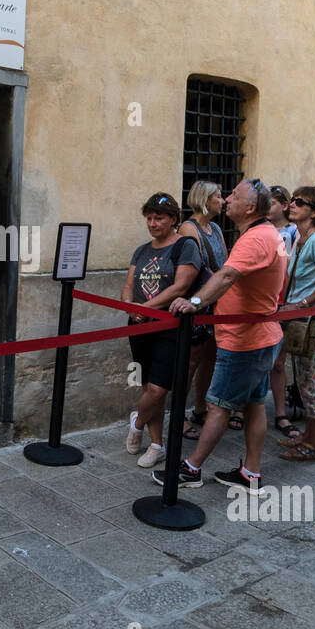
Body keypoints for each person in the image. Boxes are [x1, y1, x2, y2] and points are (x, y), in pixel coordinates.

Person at [153, 179, 285, 495]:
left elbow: (226, 275)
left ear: (251, 207)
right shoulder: (270, 234)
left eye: (234, 196)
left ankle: (191, 469)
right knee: (254, 404)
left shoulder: (255, 239)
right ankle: (250, 473)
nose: (227, 200)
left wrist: (194, 302)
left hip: (244, 340)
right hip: (263, 334)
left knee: (219, 406)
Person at [124, 193, 201, 468]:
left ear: (173, 220)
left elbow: (180, 287)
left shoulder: (186, 246)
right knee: (146, 385)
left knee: (157, 390)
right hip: (139, 325)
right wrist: (128, 305)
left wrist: (146, 309)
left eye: (159, 218)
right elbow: (129, 283)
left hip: (169, 327)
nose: (153, 223)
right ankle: (157, 445)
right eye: (150, 218)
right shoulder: (142, 250)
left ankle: (138, 422)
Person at [276, 186, 315, 461]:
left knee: (313, 383)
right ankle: (309, 437)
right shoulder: (302, 239)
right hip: (304, 322)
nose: (292, 205)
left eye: (300, 202)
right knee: (304, 381)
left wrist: (303, 304)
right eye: (292, 200)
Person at [177, 181, 228, 440]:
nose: (223, 200)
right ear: (204, 199)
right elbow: (193, 266)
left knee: (209, 356)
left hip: (215, 300)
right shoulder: (189, 228)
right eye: (218, 196)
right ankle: (178, 415)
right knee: (191, 360)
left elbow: (226, 261)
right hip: (197, 301)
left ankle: (199, 408)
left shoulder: (216, 228)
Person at [267, 185, 298, 437]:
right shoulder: (259, 229)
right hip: (263, 300)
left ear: (285, 205)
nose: (268, 207)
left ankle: (280, 413)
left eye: (273, 203)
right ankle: (241, 410)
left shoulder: (296, 231)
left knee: (278, 362)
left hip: (284, 300)